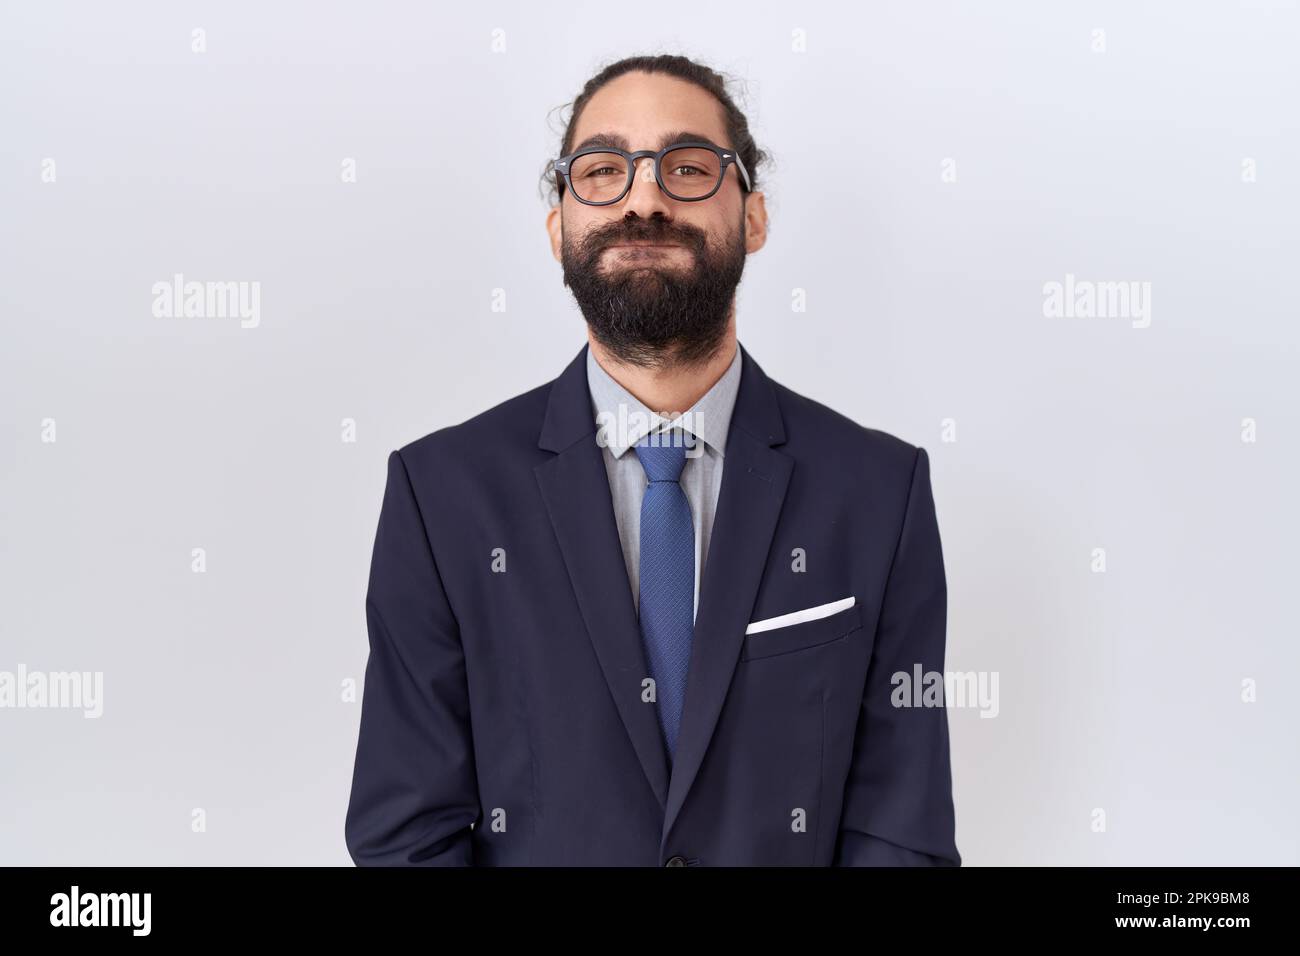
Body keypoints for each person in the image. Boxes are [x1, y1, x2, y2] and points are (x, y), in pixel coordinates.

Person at [345, 53, 960, 866]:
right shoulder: (441, 497)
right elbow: (406, 835)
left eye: (688, 168)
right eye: (603, 170)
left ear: (755, 216)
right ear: (557, 226)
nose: (645, 198)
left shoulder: (881, 493)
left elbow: (900, 833)